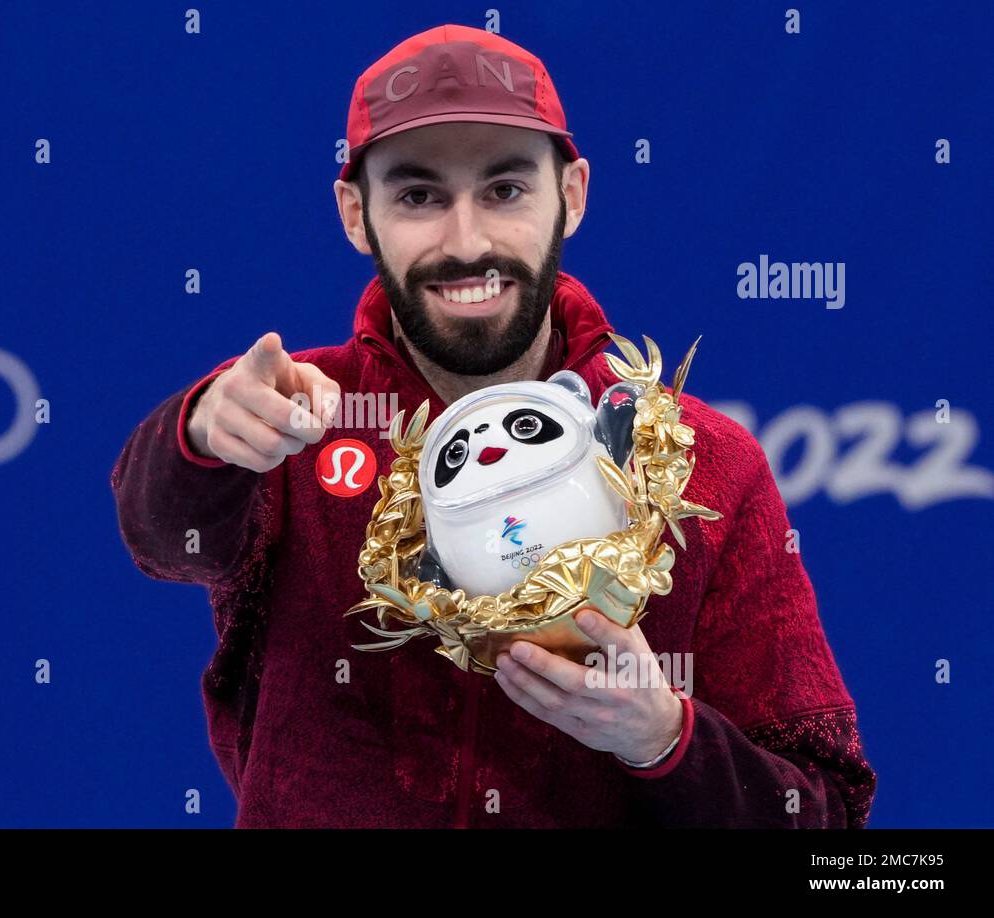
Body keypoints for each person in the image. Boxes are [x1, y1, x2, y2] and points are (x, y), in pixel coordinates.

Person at [110, 24, 876, 828]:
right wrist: (200, 433)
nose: (467, 242)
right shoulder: (294, 419)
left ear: (572, 195)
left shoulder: (705, 462)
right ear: (354, 215)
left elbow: (822, 813)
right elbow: (158, 536)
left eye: (505, 190)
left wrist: (664, 740)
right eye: (418, 196)